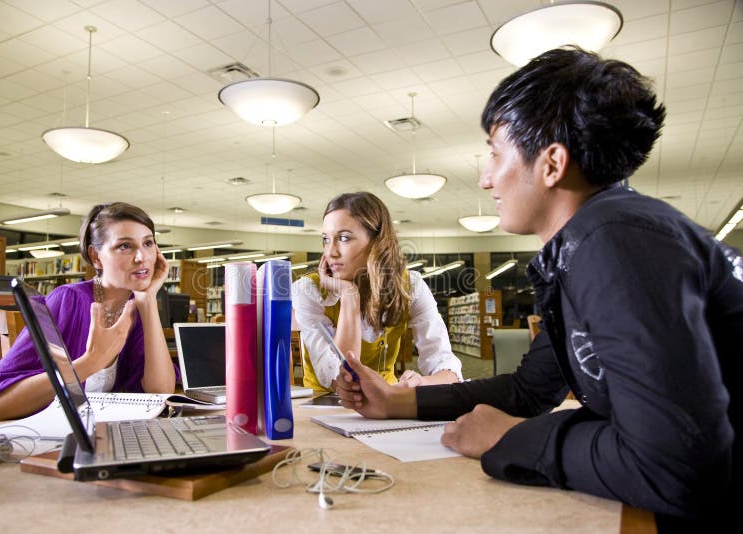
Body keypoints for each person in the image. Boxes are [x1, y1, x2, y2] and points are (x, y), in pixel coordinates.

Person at [336, 48, 740, 528]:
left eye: (495, 153)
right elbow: (531, 390)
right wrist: (398, 401)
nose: (486, 179)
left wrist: (513, 437)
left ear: (551, 163)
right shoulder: (589, 243)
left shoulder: (613, 239)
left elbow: (675, 464)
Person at [0, 202, 176, 423]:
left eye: (148, 243)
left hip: (100, 436)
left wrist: (148, 300)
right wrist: (91, 362)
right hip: (45, 438)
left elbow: (161, 392)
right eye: (125, 246)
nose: (141, 257)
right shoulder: (68, 300)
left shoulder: (135, 307)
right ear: (96, 257)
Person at [291, 191, 462, 394]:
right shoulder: (309, 290)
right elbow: (342, 379)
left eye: (344, 238)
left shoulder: (411, 285)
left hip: (388, 407)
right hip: (325, 409)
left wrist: (421, 383)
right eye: (326, 239)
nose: (330, 252)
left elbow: (447, 367)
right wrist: (349, 296)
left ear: (377, 243)